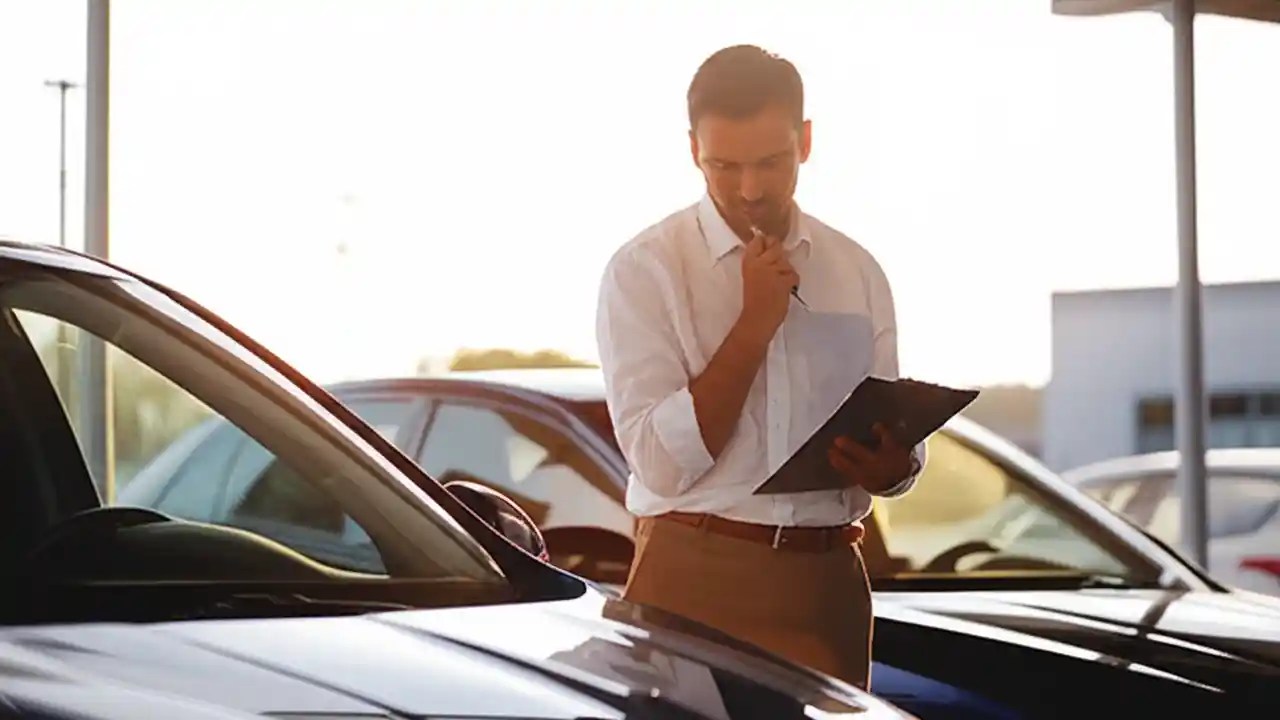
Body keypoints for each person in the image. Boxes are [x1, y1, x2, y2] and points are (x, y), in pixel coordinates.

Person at [593, 44, 926, 690]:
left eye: (771, 163)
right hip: (692, 577)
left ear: (805, 141)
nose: (749, 189)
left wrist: (897, 468)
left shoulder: (856, 271)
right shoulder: (644, 273)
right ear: (694, 151)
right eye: (725, 166)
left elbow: (895, 421)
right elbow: (660, 464)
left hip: (829, 582)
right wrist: (753, 325)